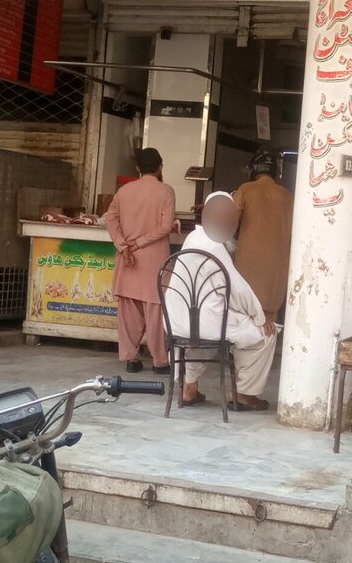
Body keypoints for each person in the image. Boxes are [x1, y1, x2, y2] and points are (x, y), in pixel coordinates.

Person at [166, 192, 277, 411]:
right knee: (265, 335)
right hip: (204, 322)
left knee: (201, 339)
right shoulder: (215, 245)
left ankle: (189, 389)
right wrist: (259, 317)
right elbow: (237, 289)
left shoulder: (192, 238)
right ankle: (245, 396)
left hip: (175, 322)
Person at [105, 147, 175, 374]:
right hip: (154, 259)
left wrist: (123, 245)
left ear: (137, 168)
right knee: (155, 310)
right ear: (160, 167)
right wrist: (140, 242)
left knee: (128, 311)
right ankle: (160, 361)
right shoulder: (166, 191)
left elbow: (111, 221)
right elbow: (165, 227)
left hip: (128, 259)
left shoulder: (124, 192)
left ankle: (131, 359)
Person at [233, 149, 294, 322]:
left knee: (244, 314)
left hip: (248, 261)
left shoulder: (245, 189)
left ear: (254, 169)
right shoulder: (289, 196)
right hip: (278, 263)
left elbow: (229, 222)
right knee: (269, 319)